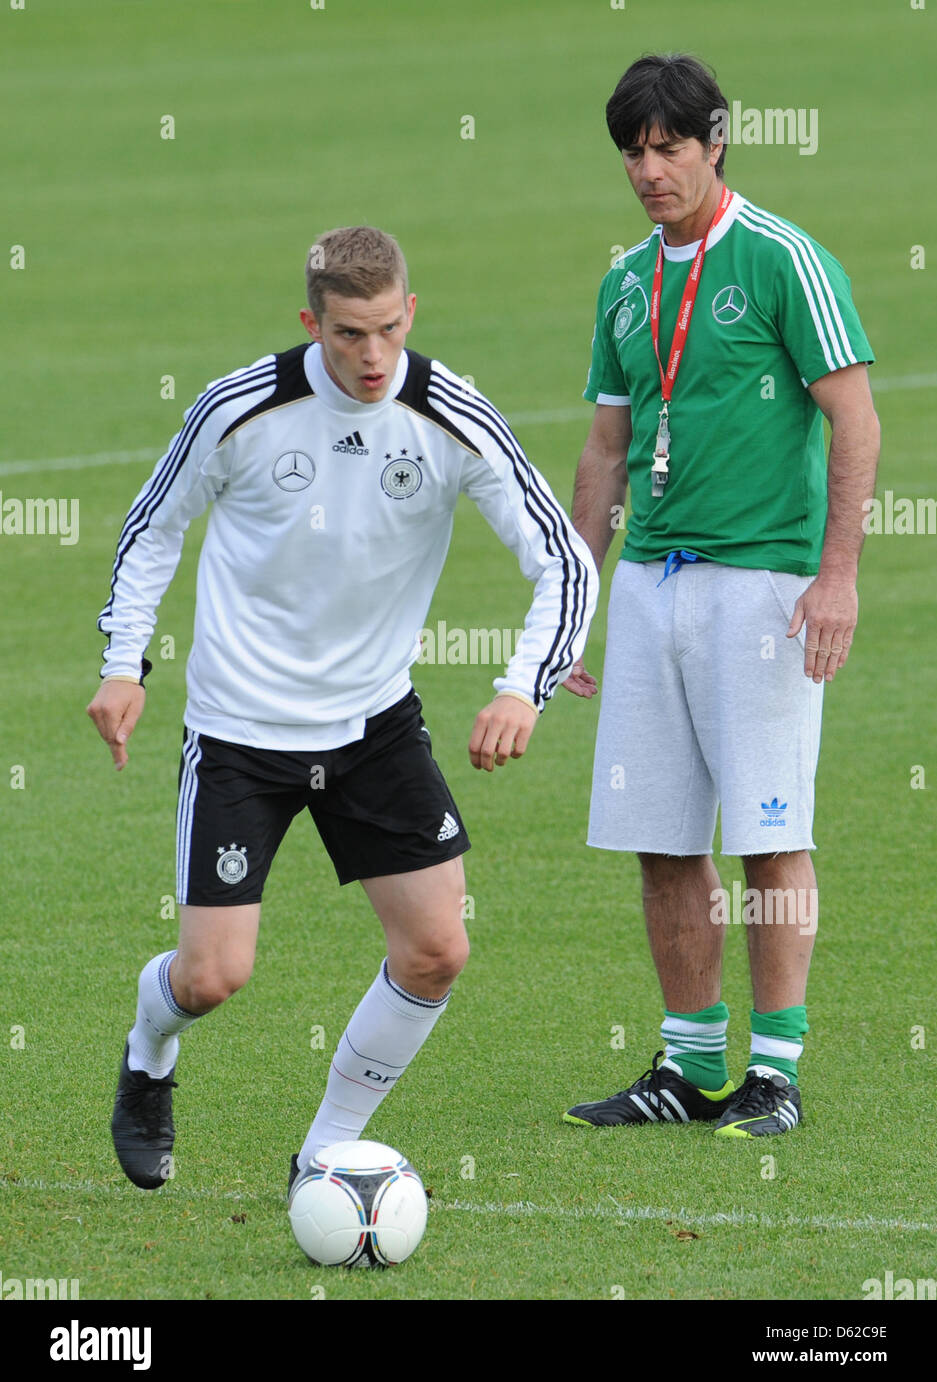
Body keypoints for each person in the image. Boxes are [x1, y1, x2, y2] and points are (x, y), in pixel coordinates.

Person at [89, 225, 597, 1191]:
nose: (372, 357)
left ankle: (324, 1149)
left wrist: (520, 686)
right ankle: (150, 1051)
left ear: (411, 309)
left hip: (373, 726)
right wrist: (126, 666)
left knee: (437, 949)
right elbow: (152, 528)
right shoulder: (240, 408)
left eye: (389, 330)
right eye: (348, 334)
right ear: (310, 322)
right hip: (240, 731)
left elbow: (561, 560)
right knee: (210, 979)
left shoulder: (451, 417)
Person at [562, 55, 878, 1137]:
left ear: (715, 141)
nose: (649, 170)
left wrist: (834, 575)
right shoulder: (622, 281)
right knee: (660, 833)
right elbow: (605, 453)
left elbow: (856, 419)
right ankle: (690, 1066)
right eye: (633, 153)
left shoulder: (784, 259)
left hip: (762, 585)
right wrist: (569, 603)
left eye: (668, 147)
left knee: (769, 831)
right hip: (653, 580)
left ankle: (776, 1070)